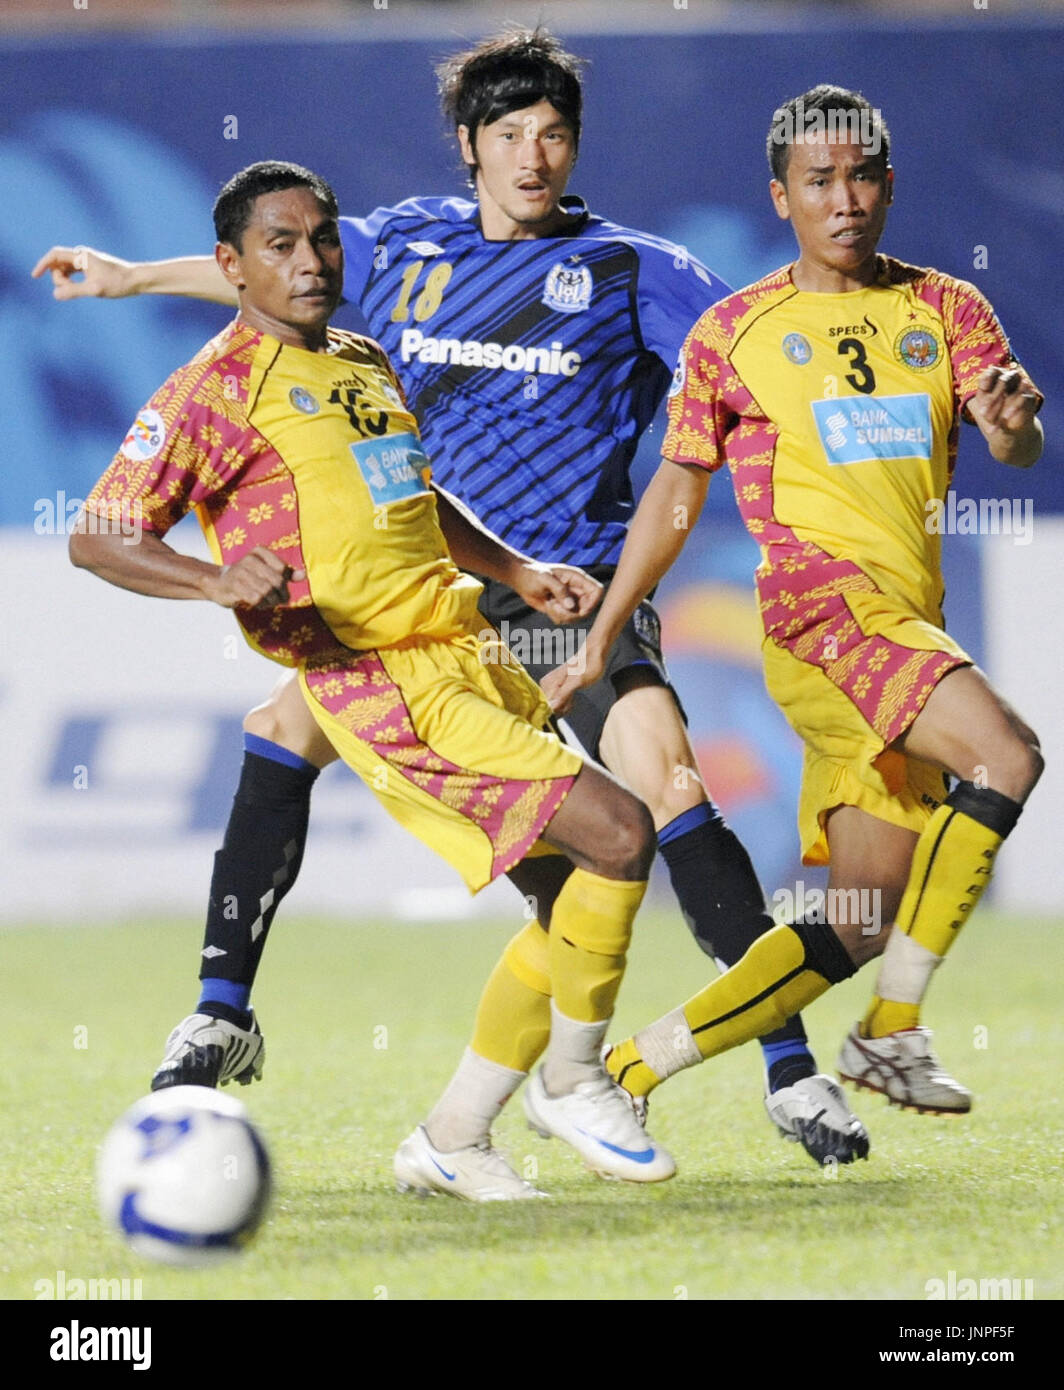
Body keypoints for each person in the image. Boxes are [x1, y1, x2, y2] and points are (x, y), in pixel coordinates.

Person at [35, 30, 868, 1167]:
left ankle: (788, 1069)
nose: (536, 156)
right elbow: (262, 262)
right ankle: (226, 1010)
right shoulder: (397, 246)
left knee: (666, 789)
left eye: (555, 133)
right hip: (426, 600)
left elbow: (748, 355)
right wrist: (134, 277)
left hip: (562, 587)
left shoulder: (634, 267)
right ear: (468, 144)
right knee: (285, 728)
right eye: (511, 134)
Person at [69, 158, 679, 1198]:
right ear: (231, 264)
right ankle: (572, 1079)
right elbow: (99, 535)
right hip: (379, 679)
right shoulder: (216, 390)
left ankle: (452, 1134)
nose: (310, 262)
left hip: (462, 648)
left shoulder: (360, 356)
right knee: (619, 834)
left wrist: (517, 569)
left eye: (323, 239)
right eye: (280, 245)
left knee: (564, 901)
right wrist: (214, 577)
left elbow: (418, 497)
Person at [542, 84, 1044, 1119]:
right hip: (820, 615)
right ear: (781, 196)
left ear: (887, 185)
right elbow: (674, 493)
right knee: (1006, 755)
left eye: (861, 176)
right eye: (818, 180)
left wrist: (1010, 428)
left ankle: (627, 1070)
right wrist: (601, 636)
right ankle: (891, 1033)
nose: (844, 198)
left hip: (902, 618)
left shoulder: (947, 309)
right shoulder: (733, 333)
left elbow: (1012, 434)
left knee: (857, 920)